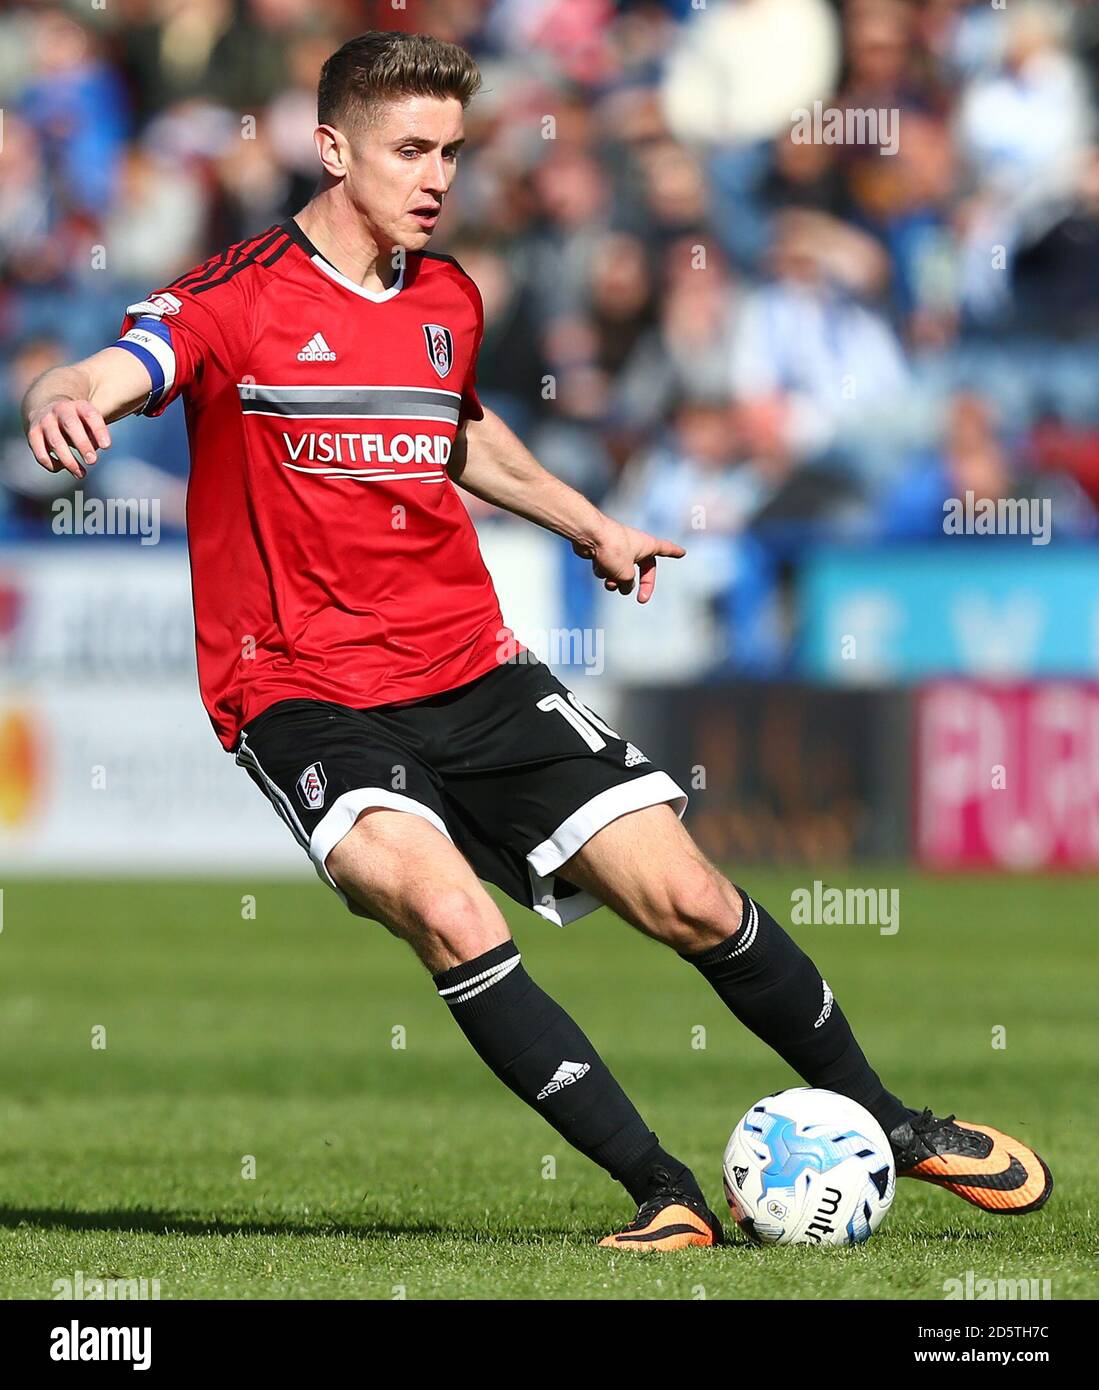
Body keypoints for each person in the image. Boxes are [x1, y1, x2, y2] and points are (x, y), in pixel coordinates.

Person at [22, 31, 1052, 1250]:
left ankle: (892, 1121)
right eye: (410, 150)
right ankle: (664, 1192)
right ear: (331, 147)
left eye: (452, 151)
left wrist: (588, 522)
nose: (436, 177)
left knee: (690, 896)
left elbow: (457, 434)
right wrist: (64, 396)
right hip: (299, 689)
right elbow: (113, 365)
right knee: (453, 915)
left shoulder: (443, 292)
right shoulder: (233, 298)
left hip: (471, 663)